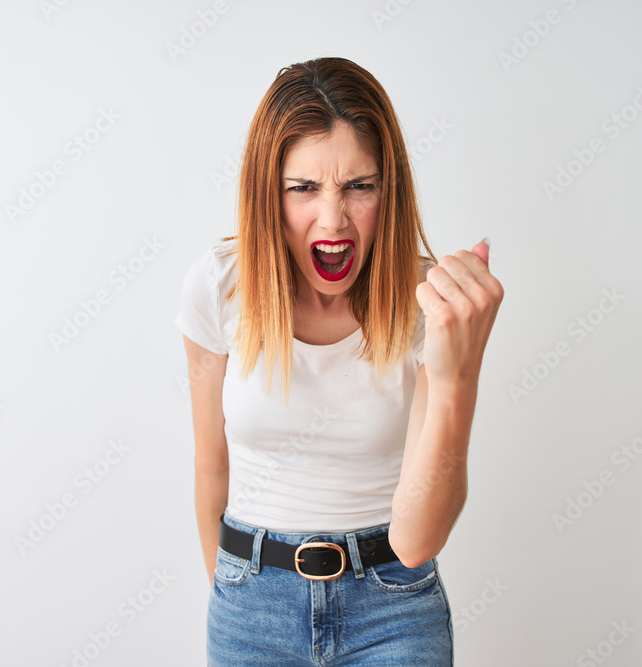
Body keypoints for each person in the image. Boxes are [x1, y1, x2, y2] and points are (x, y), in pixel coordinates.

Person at [175, 56, 503, 666]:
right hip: (252, 609)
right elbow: (209, 462)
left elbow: (418, 539)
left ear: (389, 189)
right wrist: (230, 593)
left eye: (360, 185)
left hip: (392, 610)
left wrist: (458, 375)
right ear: (267, 196)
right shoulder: (218, 288)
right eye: (303, 188)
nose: (334, 219)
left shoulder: (425, 305)